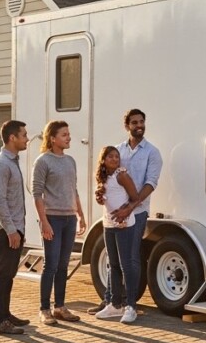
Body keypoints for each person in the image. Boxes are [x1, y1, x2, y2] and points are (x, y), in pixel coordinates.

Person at [90, 109, 163, 320]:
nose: (139, 125)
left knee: (130, 260)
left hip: (136, 213)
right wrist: (99, 192)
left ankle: (131, 306)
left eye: (141, 121)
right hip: (111, 216)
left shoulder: (152, 152)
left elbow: (151, 183)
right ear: (127, 126)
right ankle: (114, 302)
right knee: (113, 261)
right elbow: (107, 177)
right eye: (134, 122)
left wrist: (130, 208)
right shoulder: (118, 150)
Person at [32, 120, 87, 326]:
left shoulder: (70, 161)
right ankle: (44, 309)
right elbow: (37, 194)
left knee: (64, 265)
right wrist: (44, 222)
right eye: (64, 134)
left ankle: (60, 307)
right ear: (52, 138)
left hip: (69, 218)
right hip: (52, 218)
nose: (69, 137)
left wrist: (80, 214)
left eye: (68, 134)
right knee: (51, 265)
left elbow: (74, 190)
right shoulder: (43, 161)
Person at [0, 120, 31, 335]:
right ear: (12, 138)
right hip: (6, 228)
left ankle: (6, 315)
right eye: (23, 135)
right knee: (2, 274)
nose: (27, 138)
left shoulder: (12, 161)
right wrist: (11, 230)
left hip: (15, 226)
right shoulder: (1, 164)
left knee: (9, 274)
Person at [95, 146, 142, 324]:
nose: (115, 159)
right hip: (108, 224)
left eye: (117, 156)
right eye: (110, 156)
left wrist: (126, 211)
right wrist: (99, 197)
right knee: (112, 265)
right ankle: (115, 305)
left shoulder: (121, 175)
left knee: (126, 265)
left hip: (124, 225)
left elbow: (136, 198)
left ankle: (131, 306)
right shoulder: (103, 177)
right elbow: (107, 197)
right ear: (104, 159)